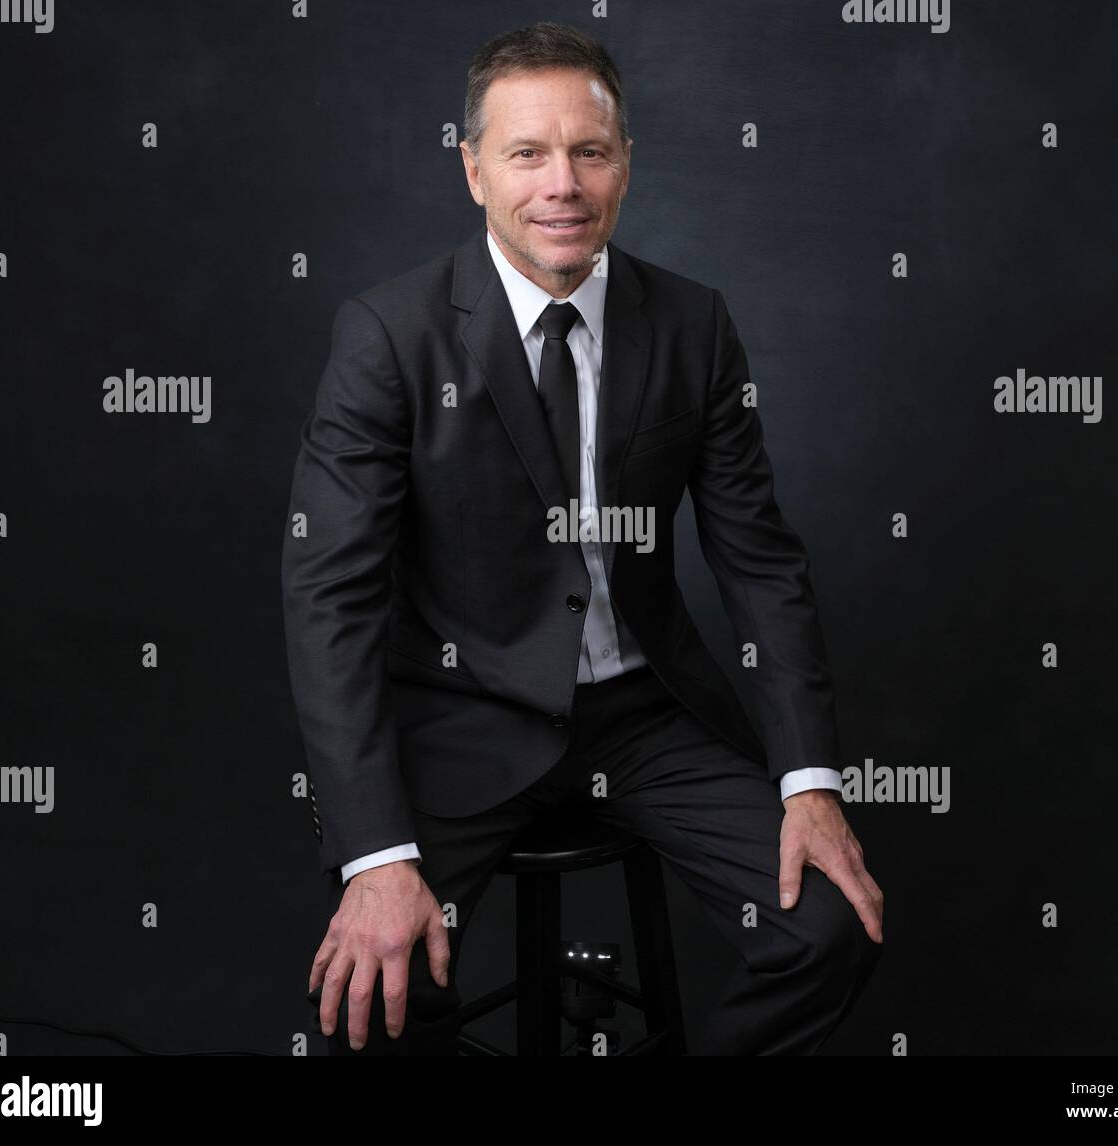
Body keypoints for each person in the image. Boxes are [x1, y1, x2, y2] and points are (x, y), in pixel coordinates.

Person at [280, 19, 883, 1056]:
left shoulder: (692, 325)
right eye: (526, 153)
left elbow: (759, 562)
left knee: (831, 926)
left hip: (643, 718)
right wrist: (375, 855)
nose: (561, 183)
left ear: (625, 166)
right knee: (368, 1002)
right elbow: (328, 598)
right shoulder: (389, 336)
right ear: (473, 171)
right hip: (459, 717)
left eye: (588, 151)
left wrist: (811, 784)